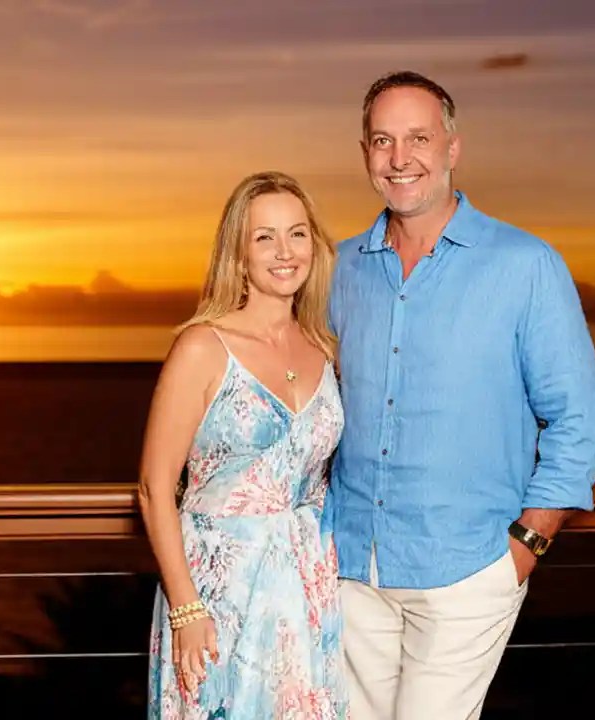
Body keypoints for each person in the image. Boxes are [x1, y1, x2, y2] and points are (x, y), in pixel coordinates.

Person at [326, 70, 595, 719]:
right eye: (382, 140)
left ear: (452, 148)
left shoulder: (524, 263)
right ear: (365, 153)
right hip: (351, 570)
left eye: (418, 138)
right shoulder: (338, 269)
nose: (400, 159)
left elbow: (578, 419)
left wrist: (525, 548)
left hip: (468, 569)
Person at [139, 171, 349, 719]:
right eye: (265, 237)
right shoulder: (203, 347)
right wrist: (186, 609)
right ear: (239, 252)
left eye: (297, 234)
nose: (285, 252)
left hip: (308, 592)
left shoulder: (325, 349)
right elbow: (153, 489)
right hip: (217, 595)